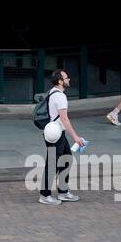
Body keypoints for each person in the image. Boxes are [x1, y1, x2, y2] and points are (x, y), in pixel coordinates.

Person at [39, 68, 85, 205]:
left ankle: (63, 192)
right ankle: (45, 195)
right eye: (66, 78)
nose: (68, 79)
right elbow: (64, 119)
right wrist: (76, 137)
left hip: (57, 133)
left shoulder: (52, 92)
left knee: (67, 160)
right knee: (52, 164)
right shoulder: (60, 96)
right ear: (60, 81)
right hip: (55, 134)